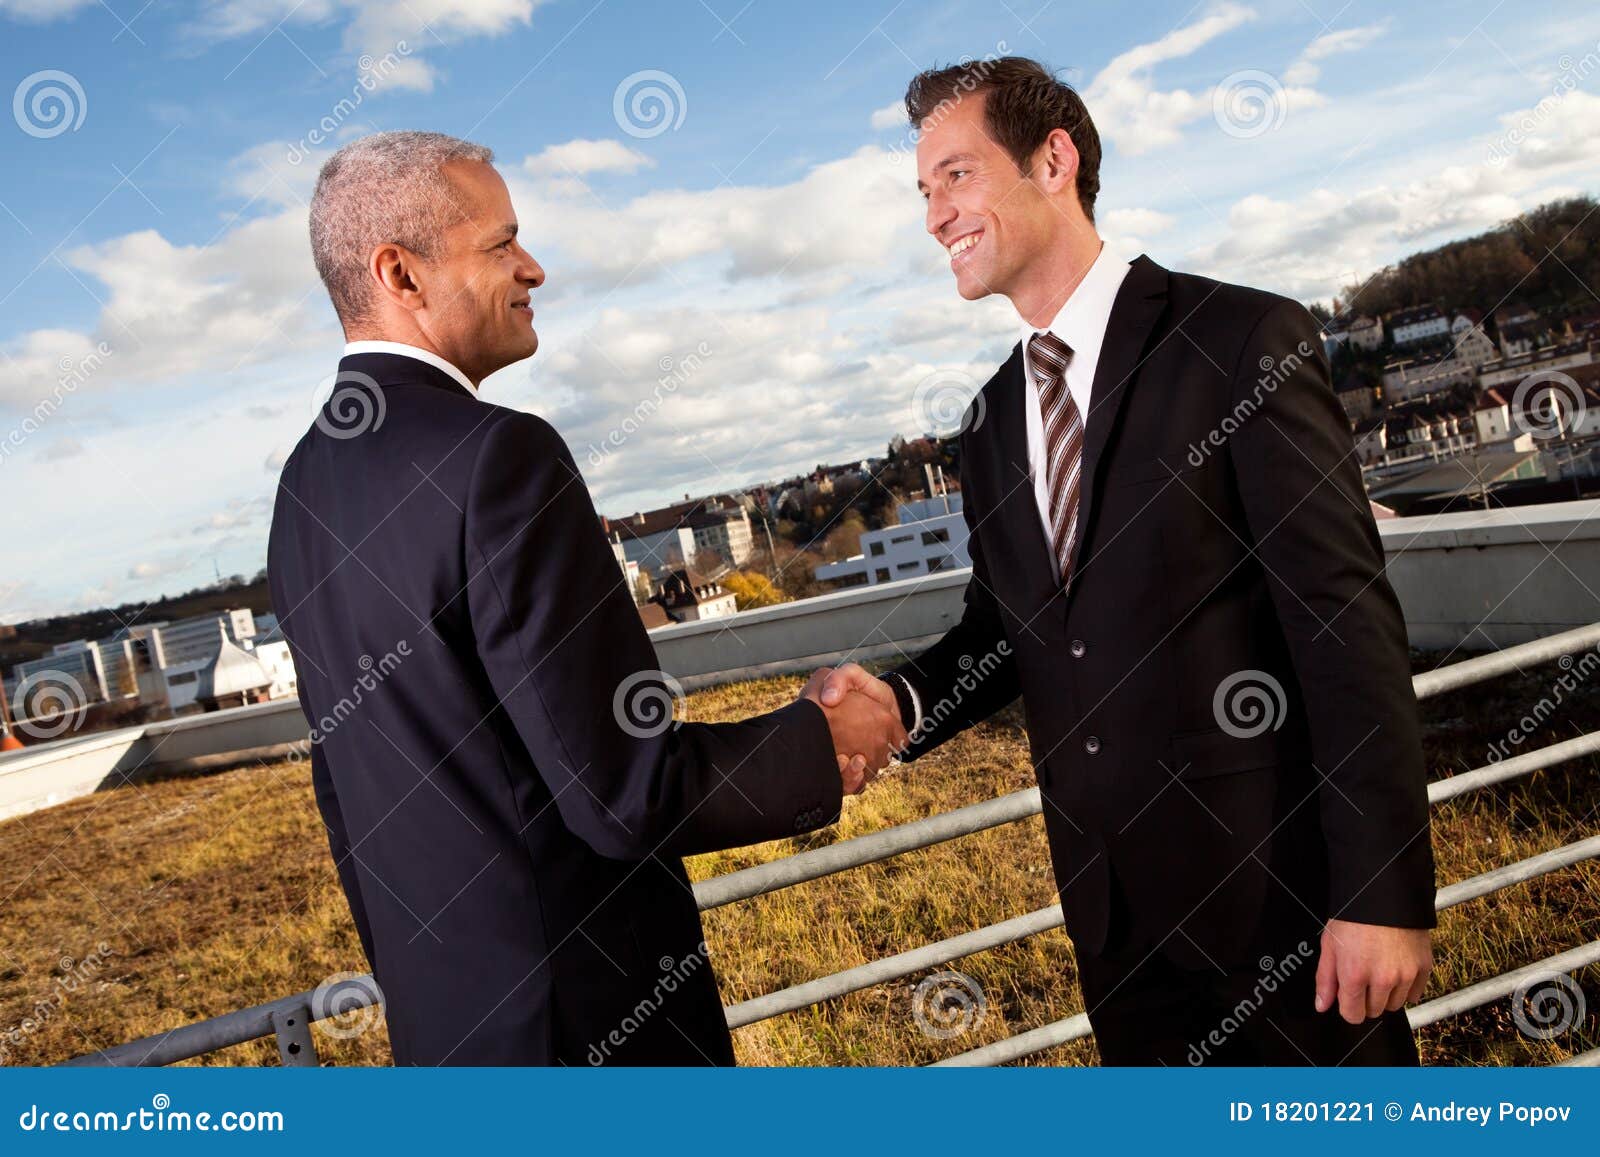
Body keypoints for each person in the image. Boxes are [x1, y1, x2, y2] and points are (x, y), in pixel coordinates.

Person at [819, 58, 1434, 1065]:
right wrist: (899, 704)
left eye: (957, 176)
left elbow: (1345, 625)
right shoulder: (985, 422)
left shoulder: (1239, 341)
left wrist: (1382, 892)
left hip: (1286, 922)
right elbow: (1011, 629)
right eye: (922, 191)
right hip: (1117, 943)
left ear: (1052, 159)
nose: (934, 216)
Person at [267, 131, 904, 1066]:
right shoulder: (499, 458)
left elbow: (349, 799)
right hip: (592, 1027)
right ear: (400, 274)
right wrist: (820, 737)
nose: (535, 268)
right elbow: (620, 793)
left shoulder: (303, 490)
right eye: (501, 245)